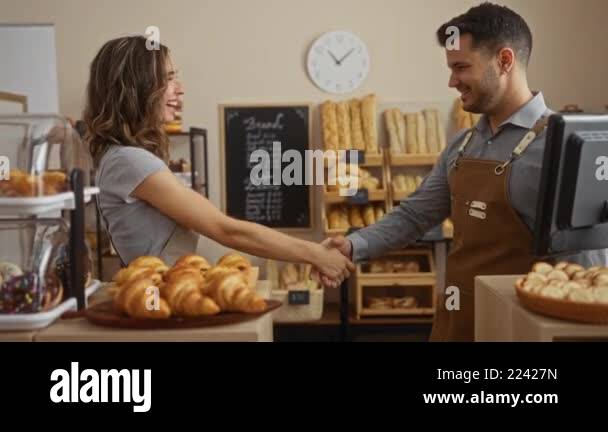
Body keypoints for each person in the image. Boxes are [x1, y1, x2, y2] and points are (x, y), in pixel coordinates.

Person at [322, 2, 607, 341]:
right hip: (459, 322)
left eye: (460, 67)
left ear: (504, 61)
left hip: (523, 329)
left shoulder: (568, 143)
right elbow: (414, 215)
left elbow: (590, 264)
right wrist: (352, 246)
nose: (451, 81)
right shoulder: (462, 144)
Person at [84, 36, 354, 285]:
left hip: (165, 292)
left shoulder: (123, 159)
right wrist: (316, 253)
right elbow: (226, 230)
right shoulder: (131, 162)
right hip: (159, 300)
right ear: (136, 89)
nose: (180, 89)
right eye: (167, 79)